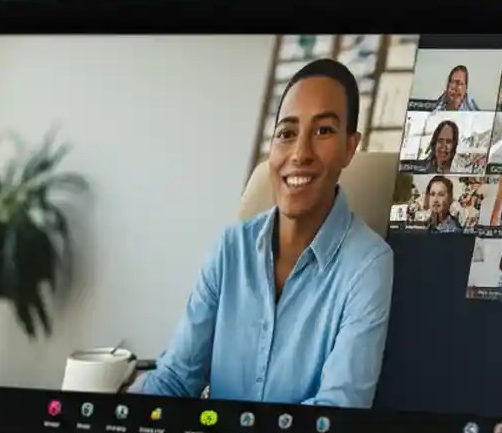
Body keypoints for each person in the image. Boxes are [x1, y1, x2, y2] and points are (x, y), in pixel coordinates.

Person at [137, 58, 394, 408]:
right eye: (287, 133)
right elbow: (176, 378)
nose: (300, 153)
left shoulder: (368, 264)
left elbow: (337, 412)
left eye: (323, 131)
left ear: (350, 147)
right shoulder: (230, 248)